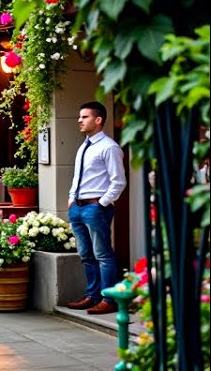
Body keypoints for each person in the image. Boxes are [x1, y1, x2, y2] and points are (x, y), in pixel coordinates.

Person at [64, 101, 127, 315]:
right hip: (78, 208)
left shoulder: (109, 147)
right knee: (86, 255)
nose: (79, 120)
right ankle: (93, 296)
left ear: (98, 120)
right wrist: (72, 199)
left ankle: (109, 299)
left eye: (85, 117)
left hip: (95, 207)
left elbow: (118, 181)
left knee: (103, 254)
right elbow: (78, 176)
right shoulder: (85, 146)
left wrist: (101, 203)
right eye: (80, 116)